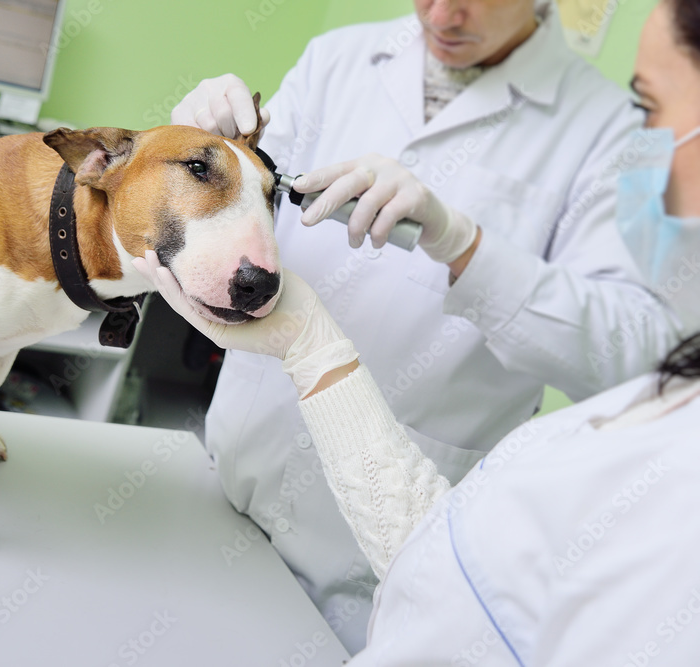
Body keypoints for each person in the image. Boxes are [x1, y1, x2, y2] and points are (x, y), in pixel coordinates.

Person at [139, 0, 700, 660]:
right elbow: (246, 213)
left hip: (367, 571)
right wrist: (204, 151)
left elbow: (632, 357)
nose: (443, 13)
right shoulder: (339, 59)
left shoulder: (608, 128)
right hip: (230, 478)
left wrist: (463, 243)